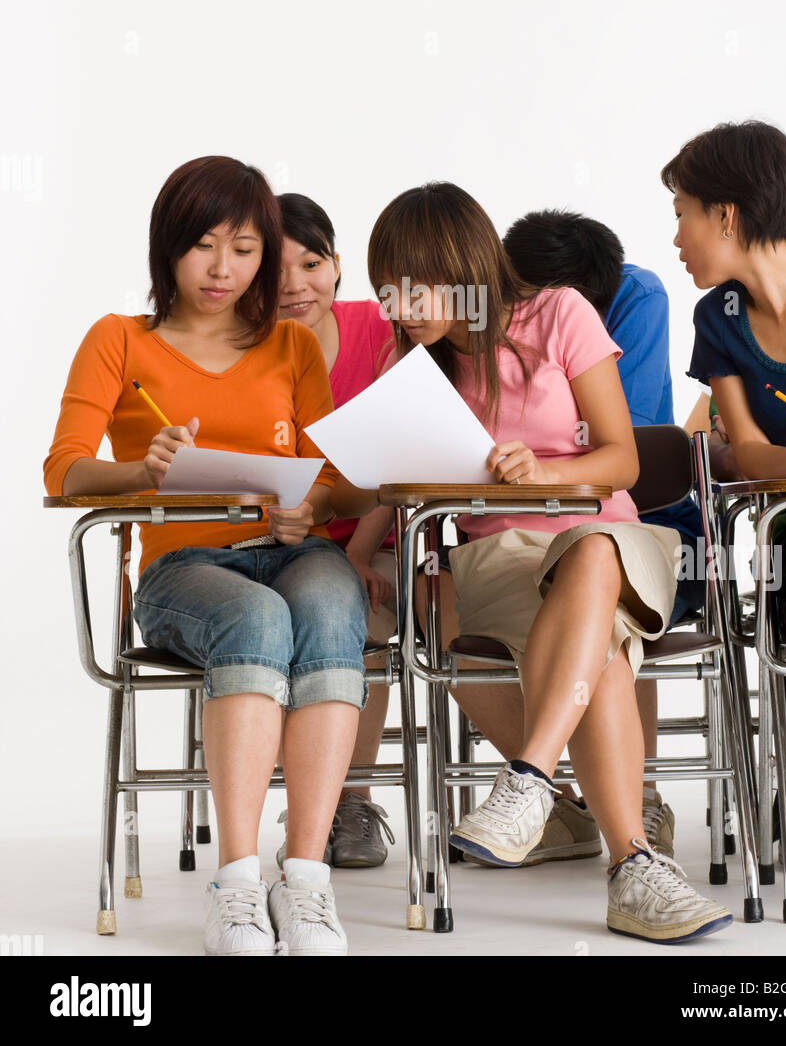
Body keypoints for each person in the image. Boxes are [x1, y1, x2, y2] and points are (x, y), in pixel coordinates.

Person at [367, 180, 732, 943]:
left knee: (593, 554)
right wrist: (361, 550)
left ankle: (531, 782)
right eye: (386, 290)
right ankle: (629, 864)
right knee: (591, 650)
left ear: (463, 264)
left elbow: (624, 460)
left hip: (618, 542)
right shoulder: (416, 369)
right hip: (497, 560)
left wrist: (548, 474)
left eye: (414, 284)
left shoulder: (558, 313)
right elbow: (382, 482)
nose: (400, 306)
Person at [43, 157, 371, 956]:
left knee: (331, 604)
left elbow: (347, 485)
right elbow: (63, 469)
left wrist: (314, 504)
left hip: (289, 554)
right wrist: (139, 470)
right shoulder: (118, 339)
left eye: (246, 248)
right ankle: (236, 883)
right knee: (256, 617)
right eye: (202, 246)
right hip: (181, 570)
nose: (223, 269)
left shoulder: (293, 346)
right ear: (167, 250)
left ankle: (306, 883)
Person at [662, 125, 786, 878]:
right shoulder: (717, 320)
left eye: (682, 211)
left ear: (727, 213)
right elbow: (743, 447)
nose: (676, 235)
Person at [503, 209, 706, 859]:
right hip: (536, 529)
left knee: (607, 583)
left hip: (640, 520)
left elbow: (632, 447)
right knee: (566, 587)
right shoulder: (489, 318)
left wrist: (545, 443)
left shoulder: (632, 296)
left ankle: (622, 798)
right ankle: (562, 798)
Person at [274, 193, 397, 869]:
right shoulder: (251, 351)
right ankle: (318, 793)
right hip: (290, 540)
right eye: (279, 268)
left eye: (312, 263)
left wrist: (355, 550)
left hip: (380, 531)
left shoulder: (379, 331)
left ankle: (349, 799)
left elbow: (401, 455)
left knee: (365, 620)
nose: (296, 285)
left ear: (337, 265)